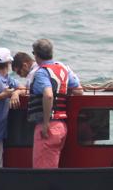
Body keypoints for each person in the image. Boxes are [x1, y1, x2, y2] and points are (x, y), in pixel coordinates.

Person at [27, 38, 81, 169]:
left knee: (43, 171)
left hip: (48, 127)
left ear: (36, 55)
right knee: (51, 165)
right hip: (61, 127)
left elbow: (48, 95)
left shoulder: (42, 72)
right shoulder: (63, 69)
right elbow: (79, 91)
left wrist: (46, 124)